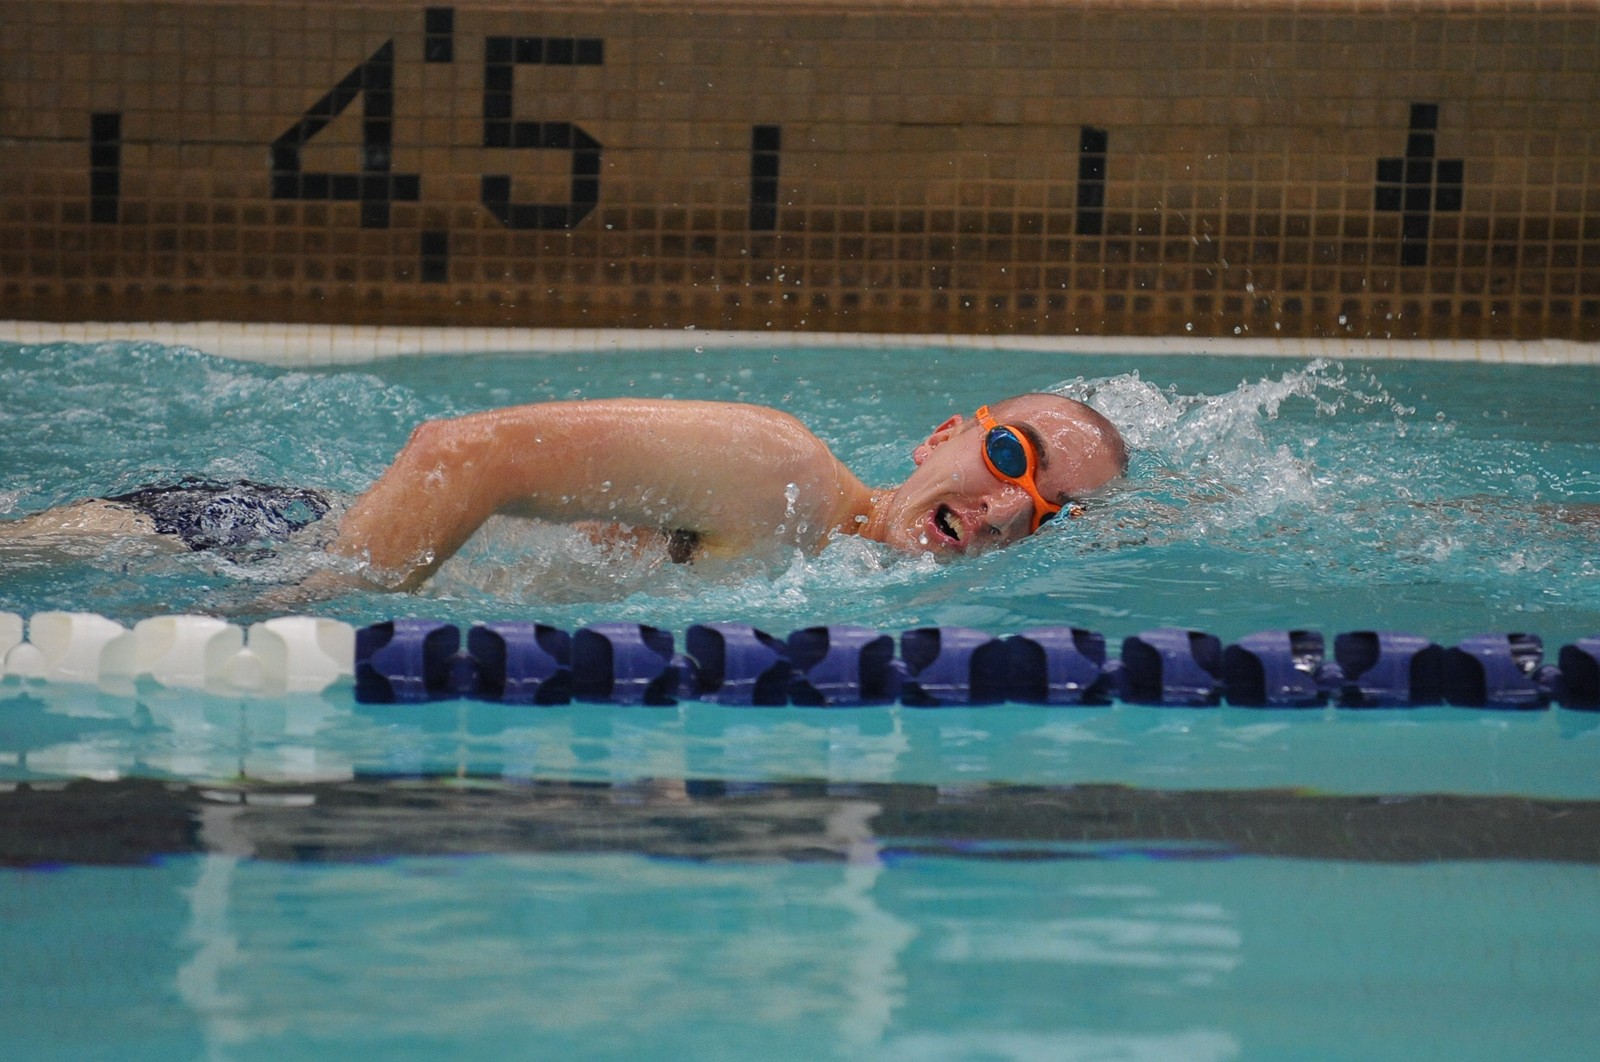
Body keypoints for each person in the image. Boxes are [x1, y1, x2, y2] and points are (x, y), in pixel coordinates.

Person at [3, 393, 1127, 590]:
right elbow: (461, 453)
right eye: (1015, 460)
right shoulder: (782, 475)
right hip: (234, 539)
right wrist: (292, 611)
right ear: (943, 435)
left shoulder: (828, 568)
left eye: (1048, 511)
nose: (1011, 506)